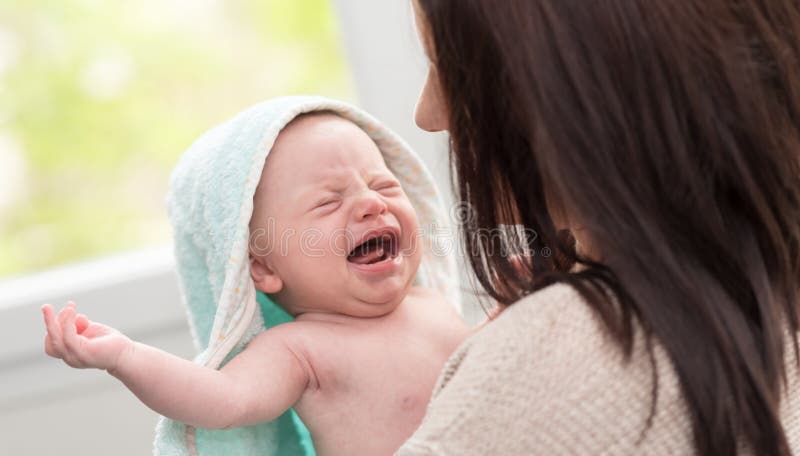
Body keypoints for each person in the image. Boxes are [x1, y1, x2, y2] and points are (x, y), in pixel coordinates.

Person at [398, 0, 800, 455]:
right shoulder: (769, 308)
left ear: (564, 89)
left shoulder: (547, 366)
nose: (428, 114)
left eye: (444, 66)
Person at [41, 112, 469, 456]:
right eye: (327, 202)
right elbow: (223, 399)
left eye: (384, 185)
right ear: (262, 268)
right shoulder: (301, 350)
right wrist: (125, 356)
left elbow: (496, 371)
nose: (372, 204)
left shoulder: (434, 304)